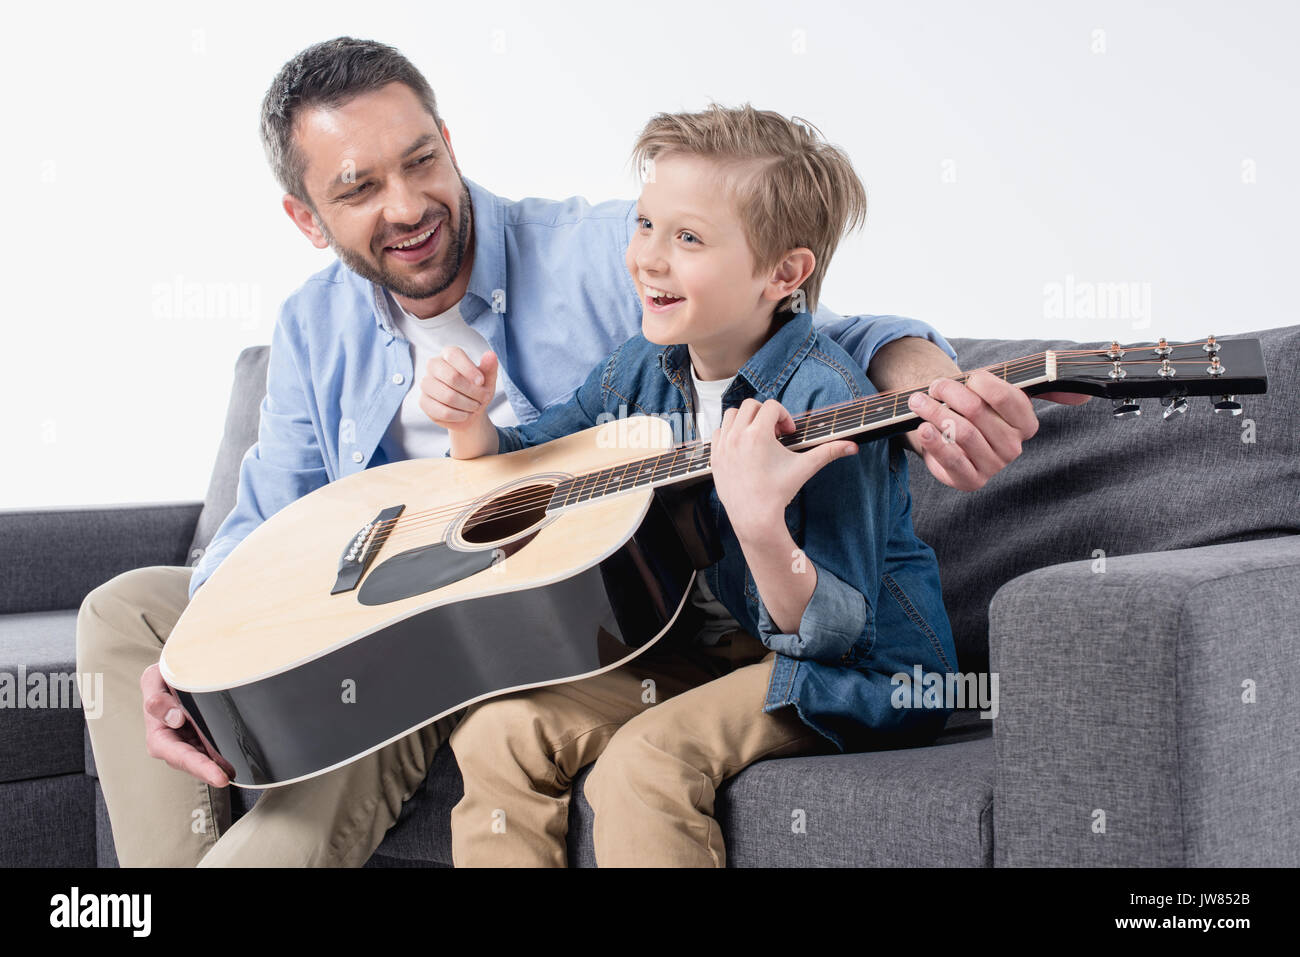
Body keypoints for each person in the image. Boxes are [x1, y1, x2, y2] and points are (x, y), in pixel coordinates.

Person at [76, 36, 1085, 868]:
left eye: (421, 160)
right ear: (306, 218)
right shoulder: (317, 327)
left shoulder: (611, 259)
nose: (407, 204)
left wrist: (924, 385)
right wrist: (205, 651)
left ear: (451, 142)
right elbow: (279, 517)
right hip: (368, 585)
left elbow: (814, 328)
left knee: (503, 717)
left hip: (530, 626)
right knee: (127, 616)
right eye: (358, 187)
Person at [429, 102, 957, 867]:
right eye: (645, 225)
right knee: (498, 730)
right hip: (710, 648)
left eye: (688, 238)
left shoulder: (825, 400)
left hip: (857, 671)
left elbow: (840, 631)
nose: (648, 258)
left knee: (646, 759)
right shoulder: (641, 368)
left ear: (785, 273)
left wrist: (760, 524)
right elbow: (526, 461)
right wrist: (470, 425)